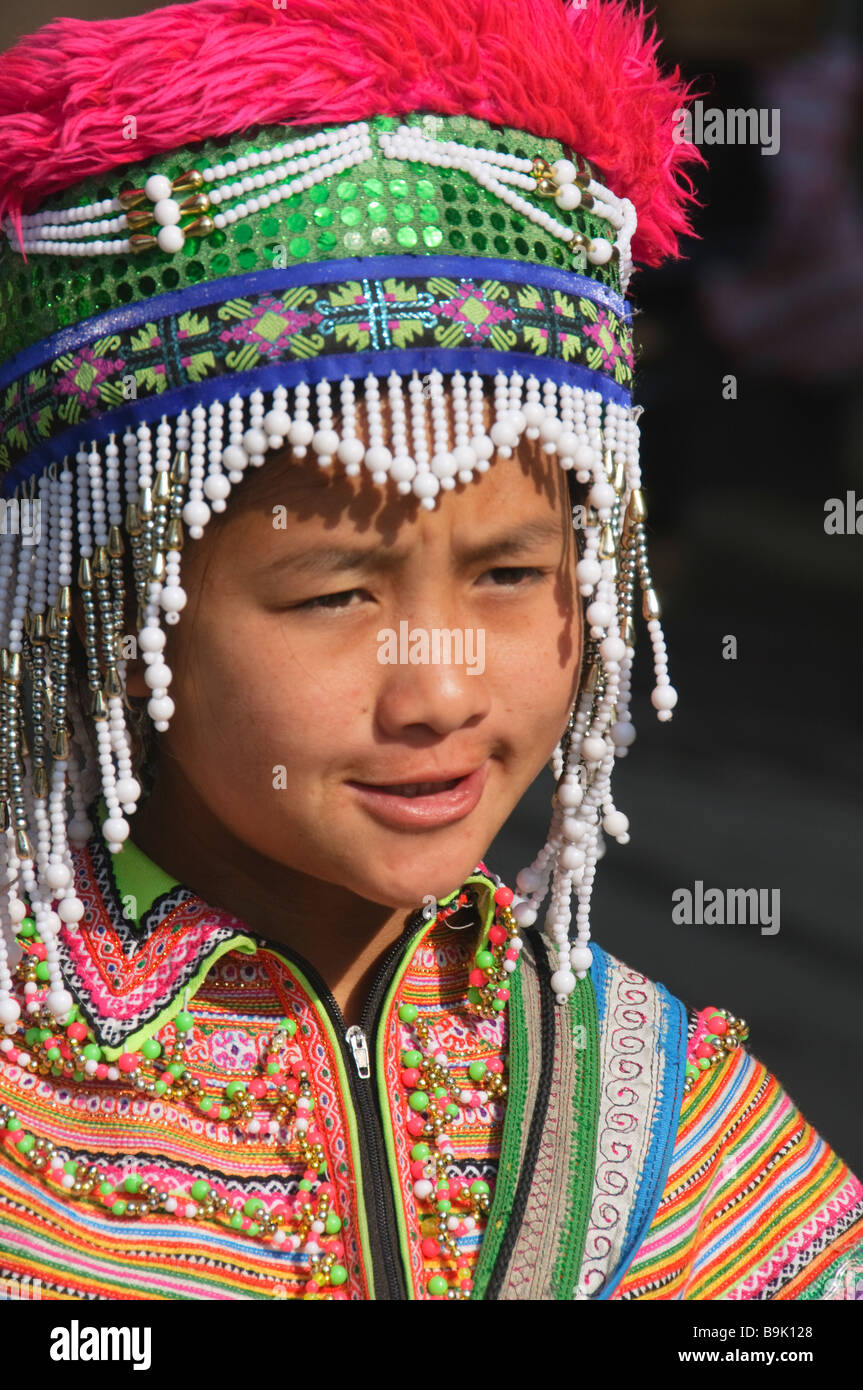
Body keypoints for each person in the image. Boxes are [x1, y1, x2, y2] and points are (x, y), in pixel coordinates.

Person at [0, 0, 860, 1302]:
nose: (443, 687)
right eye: (336, 594)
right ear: (123, 613)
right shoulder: (30, 1113)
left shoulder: (675, 1118)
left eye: (512, 573)